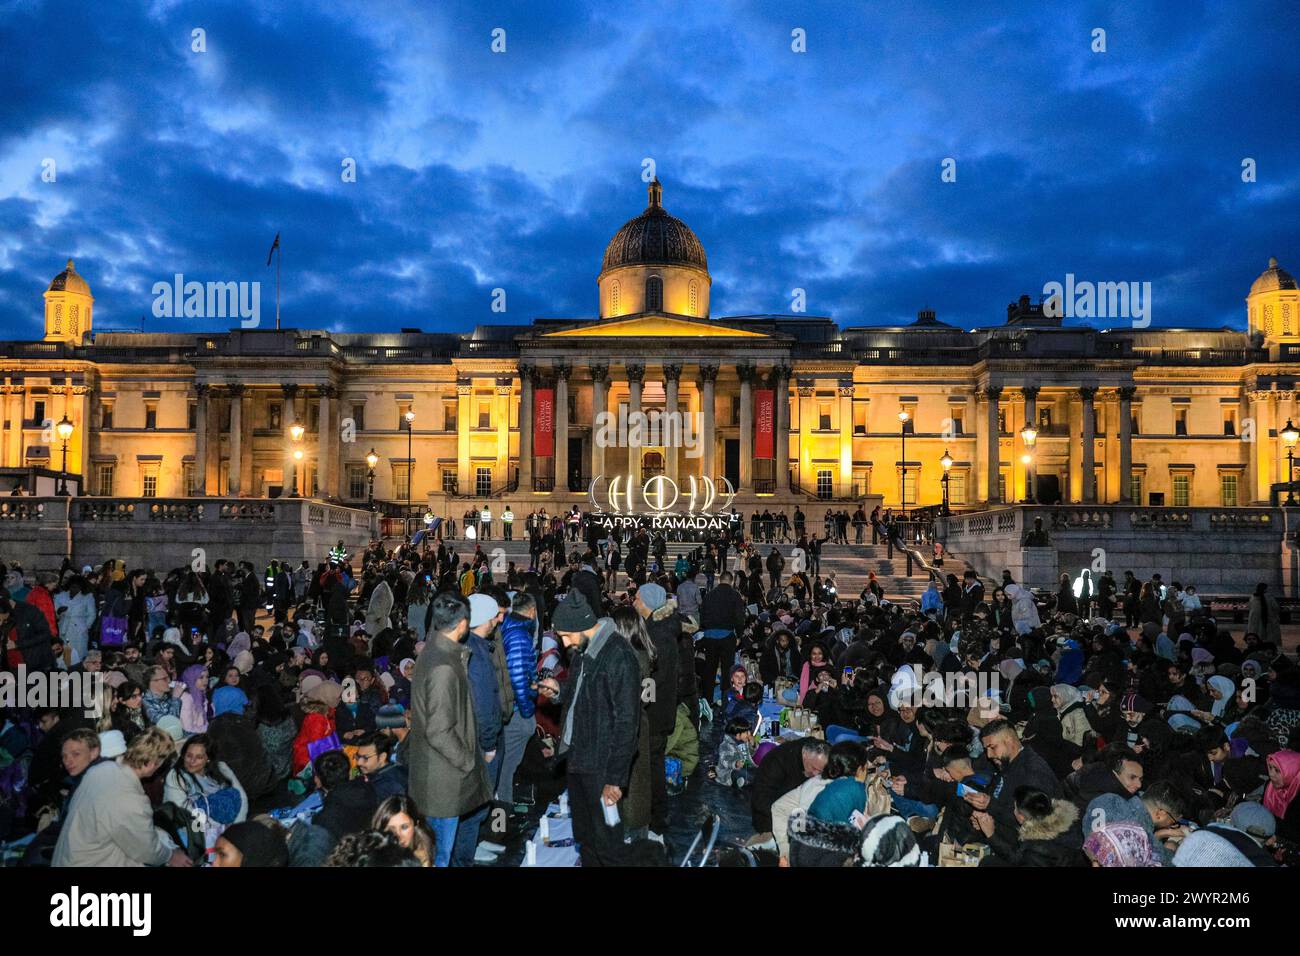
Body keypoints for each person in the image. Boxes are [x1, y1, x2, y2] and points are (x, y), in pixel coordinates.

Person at [537, 588, 641, 867]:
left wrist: (615, 778)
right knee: (585, 838)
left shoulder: (619, 657)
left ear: (583, 627)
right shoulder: (584, 650)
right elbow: (582, 690)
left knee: (608, 845)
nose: (564, 643)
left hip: (601, 767)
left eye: (566, 636)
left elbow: (627, 722)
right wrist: (559, 690)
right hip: (579, 759)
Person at [407, 591, 491, 868]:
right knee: (439, 856)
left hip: (435, 774)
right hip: (442, 780)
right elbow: (439, 730)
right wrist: (467, 760)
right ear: (463, 624)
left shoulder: (434, 652)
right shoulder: (443, 665)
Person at [53, 728, 191, 867]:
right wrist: (171, 855)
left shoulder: (100, 769)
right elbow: (146, 851)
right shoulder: (130, 799)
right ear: (151, 764)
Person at [374, 794, 435, 866]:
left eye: (404, 827)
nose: (398, 836)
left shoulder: (423, 854)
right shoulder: (370, 854)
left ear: (416, 825)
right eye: (391, 830)